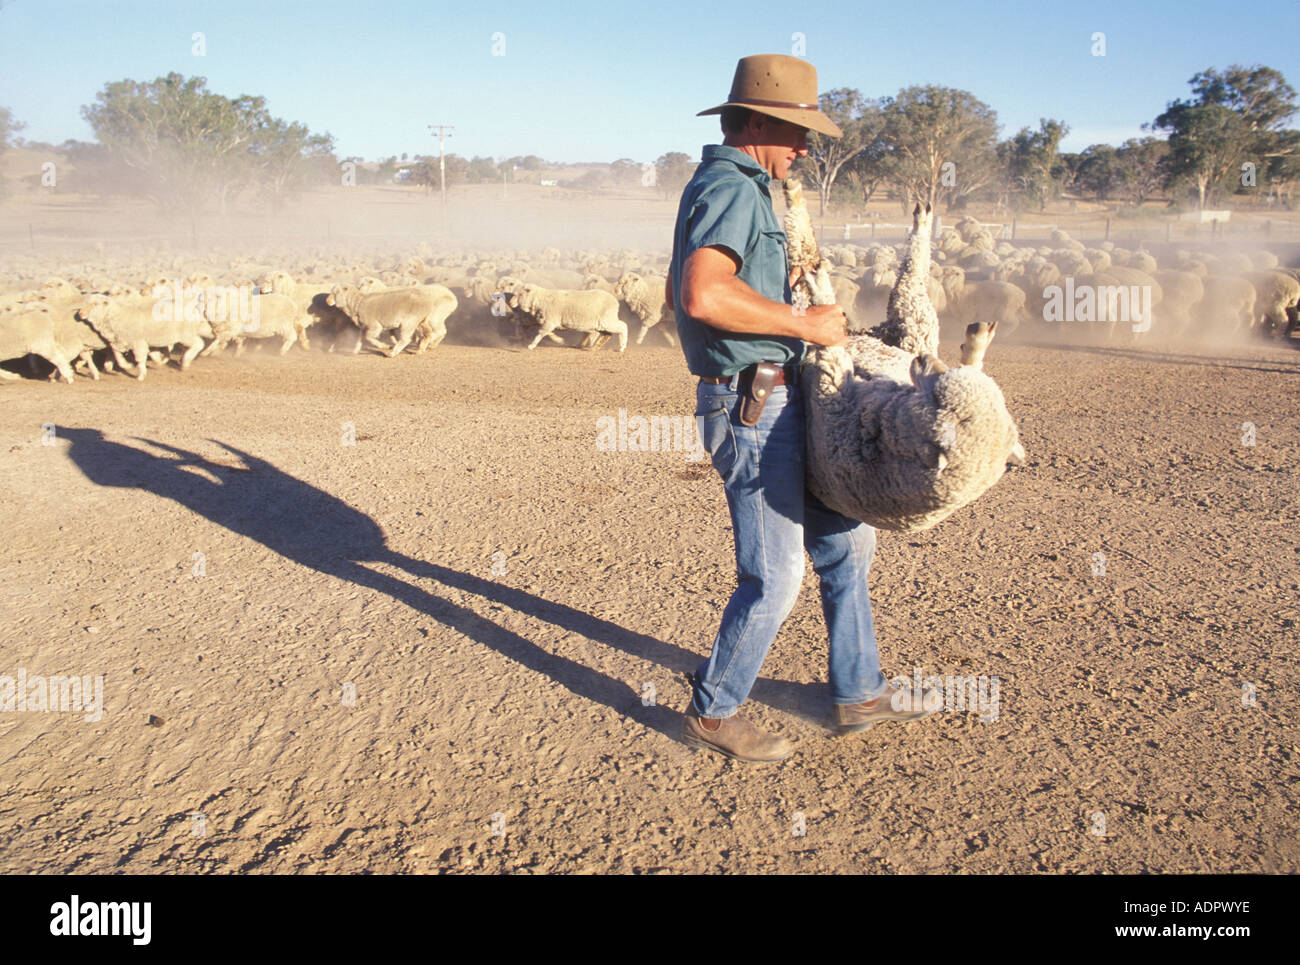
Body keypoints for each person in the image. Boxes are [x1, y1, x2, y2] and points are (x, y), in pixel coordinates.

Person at [667, 54, 938, 763]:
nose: (806, 147)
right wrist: (808, 325)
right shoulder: (731, 187)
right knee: (777, 573)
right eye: (795, 132)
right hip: (751, 406)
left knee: (848, 543)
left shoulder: (751, 189)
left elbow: (734, 284)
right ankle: (714, 711)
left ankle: (859, 691)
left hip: (784, 399)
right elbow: (702, 294)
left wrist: (787, 296)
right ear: (755, 122)